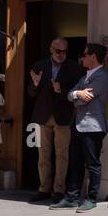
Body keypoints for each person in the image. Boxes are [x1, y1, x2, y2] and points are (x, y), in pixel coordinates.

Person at [53, 43, 108, 212]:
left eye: (84, 55)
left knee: (92, 163)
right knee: (76, 162)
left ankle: (91, 198)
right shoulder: (84, 77)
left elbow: (85, 100)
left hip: (93, 126)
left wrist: (77, 97)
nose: (82, 58)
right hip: (79, 125)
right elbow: (71, 95)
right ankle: (72, 197)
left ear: (93, 56)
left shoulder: (102, 77)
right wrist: (78, 93)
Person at [27, 38, 83, 204]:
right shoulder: (40, 65)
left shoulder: (74, 67)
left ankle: (59, 189)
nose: (62, 54)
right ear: (51, 50)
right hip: (43, 116)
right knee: (43, 155)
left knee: (62, 154)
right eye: (58, 51)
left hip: (63, 116)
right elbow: (31, 92)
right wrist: (35, 84)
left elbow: (77, 91)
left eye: (65, 51)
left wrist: (61, 90)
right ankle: (44, 188)